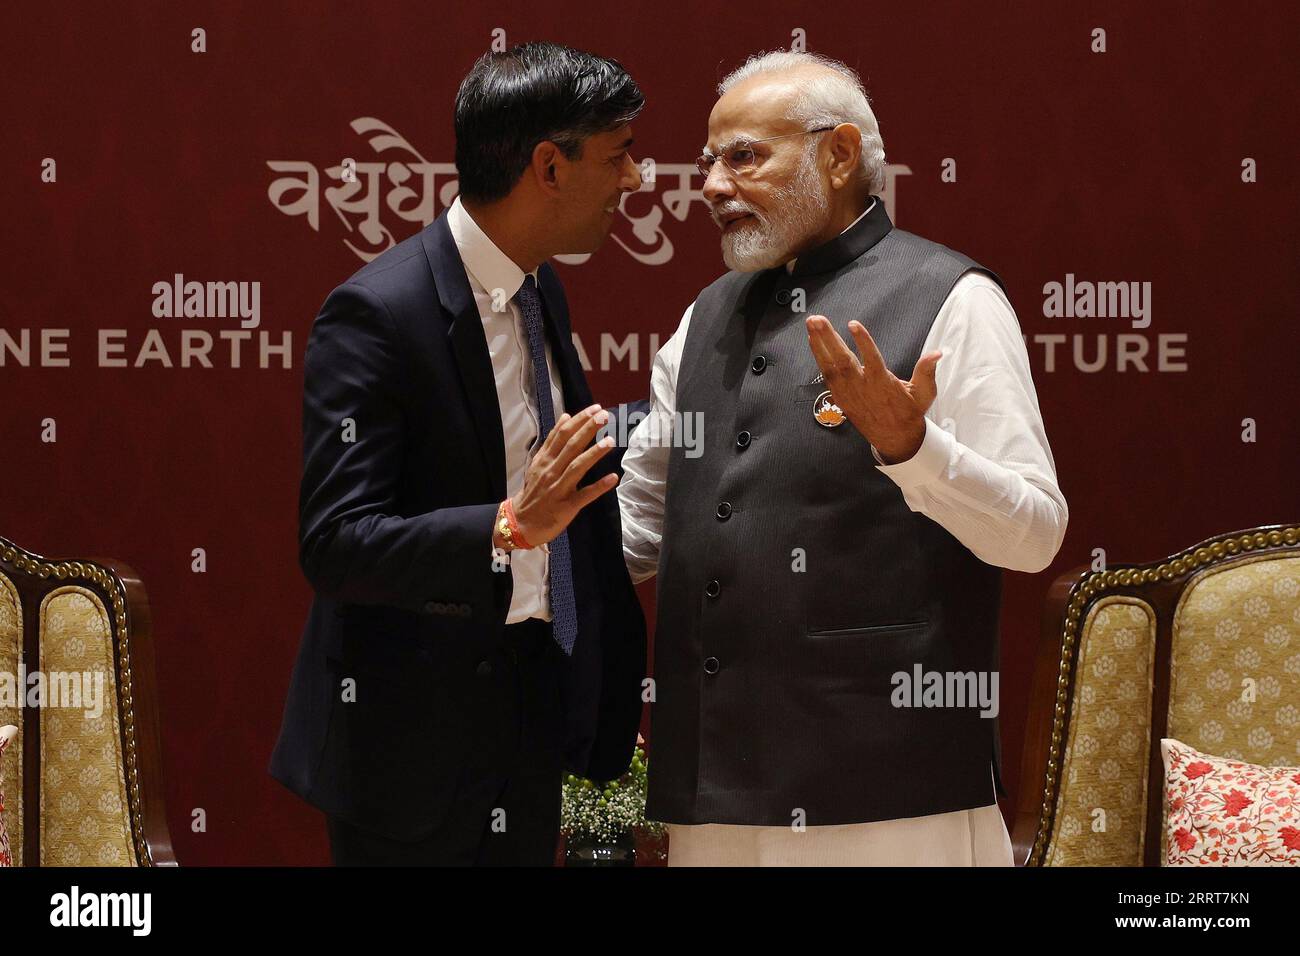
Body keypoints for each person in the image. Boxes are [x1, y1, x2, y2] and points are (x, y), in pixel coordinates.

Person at [618, 50, 1068, 865]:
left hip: (887, 792)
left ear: (838, 155)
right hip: (711, 791)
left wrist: (913, 447)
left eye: (744, 156)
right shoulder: (702, 319)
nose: (713, 186)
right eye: (709, 162)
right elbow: (640, 533)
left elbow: (1034, 536)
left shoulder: (954, 298)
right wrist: (511, 539)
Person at [270, 41, 648, 865]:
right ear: (549, 166)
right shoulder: (377, 312)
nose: (638, 181)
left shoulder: (542, 284)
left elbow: (528, 448)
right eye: (619, 156)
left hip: (525, 719)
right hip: (408, 751)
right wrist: (510, 523)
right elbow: (335, 544)